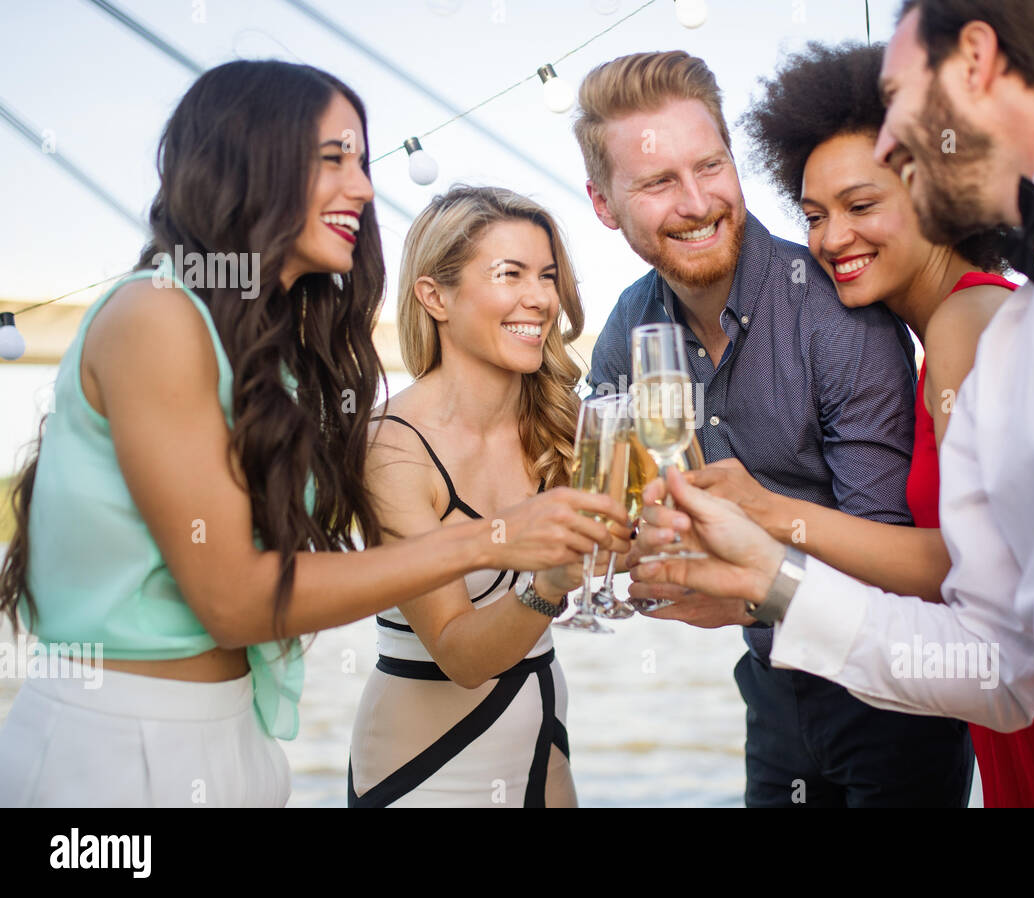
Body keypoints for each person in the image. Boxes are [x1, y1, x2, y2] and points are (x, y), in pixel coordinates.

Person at [634, 0, 1034, 807]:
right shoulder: (1013, 345)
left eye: (896, 96)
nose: (886, 142)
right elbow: (994, 662)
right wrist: (769, 578)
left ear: (977, 60)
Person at [0, 62, 626, 808]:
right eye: (335, 159)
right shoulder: (156, 316)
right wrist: (495, 539)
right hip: (115, 752)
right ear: (249, 162)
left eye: (362, 161)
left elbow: (290, 578)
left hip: (235, 735)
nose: (364, 187)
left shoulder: (273, 355)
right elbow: (233, 598)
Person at [631, 41, 1034, 808]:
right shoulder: (949, 330)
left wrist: (766, 518)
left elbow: (964, 569)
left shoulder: (969, 320)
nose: (831, 241)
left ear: (937, 193)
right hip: (1001, 710)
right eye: (814, 216)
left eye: (861, 207)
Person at [577, 50, 973, 807]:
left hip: (893, 693)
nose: (696, 202)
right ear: (603, 204)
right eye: (659, 182)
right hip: (769, 689)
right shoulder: (628, 325)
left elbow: (899, 556)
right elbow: (620, 505)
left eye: (710, 166)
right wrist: (633, 551)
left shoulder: (836, 309)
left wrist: (746, 579)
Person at [348, 186, 610, 808]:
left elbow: (627, 549)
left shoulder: (563, 424)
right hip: (427, 767)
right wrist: (551, 583)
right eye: (509, 274)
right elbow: (460, 656)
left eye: (547, 276)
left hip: (544, 740)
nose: (540, 298)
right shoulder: (392, 450)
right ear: (434, 296)